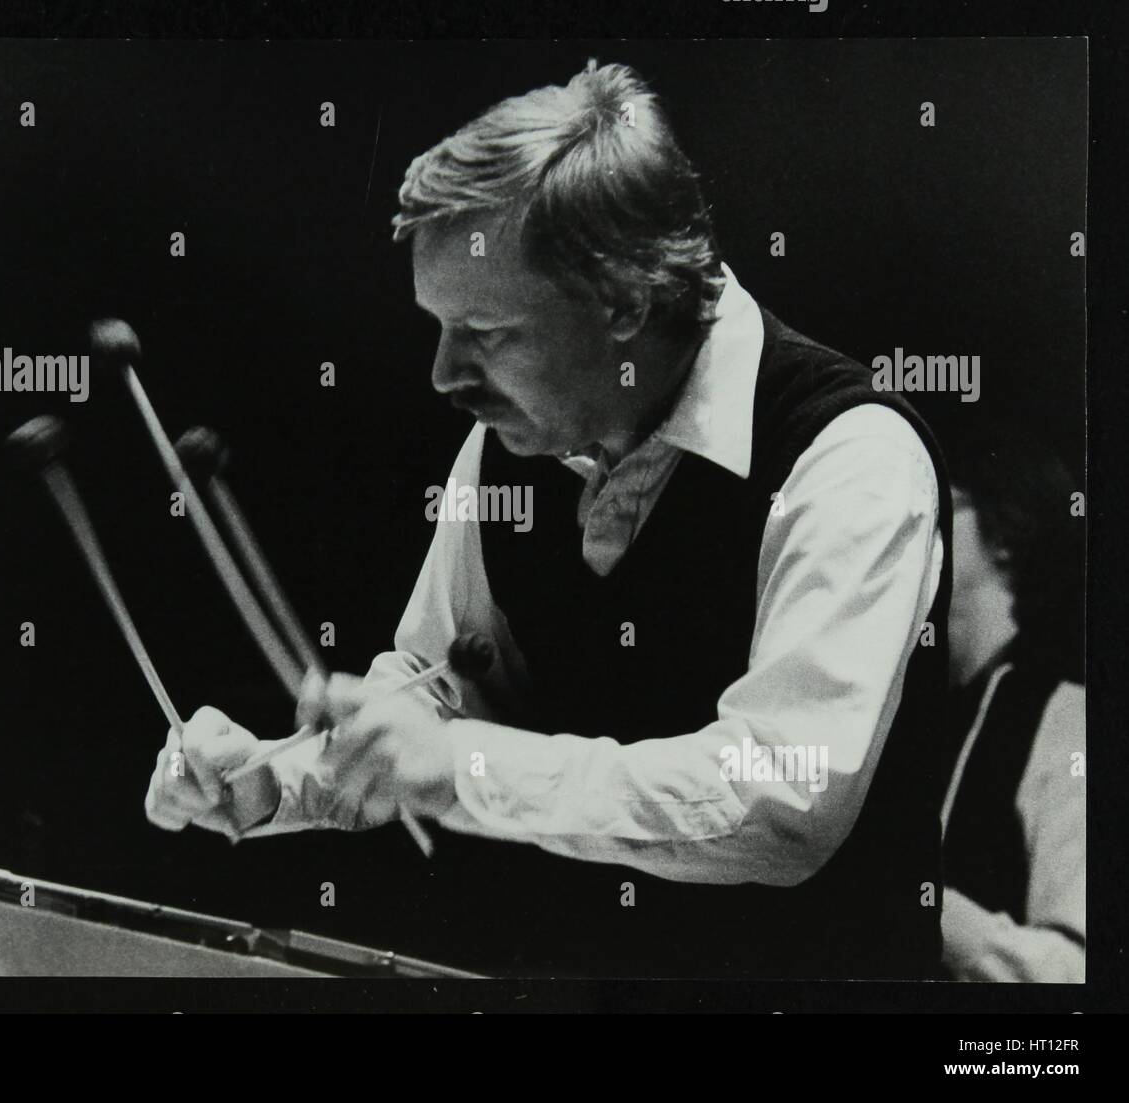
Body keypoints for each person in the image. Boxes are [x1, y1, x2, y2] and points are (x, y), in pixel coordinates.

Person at [145, 60, 954, 978]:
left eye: (487, 334)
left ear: (626, 302)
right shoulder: (508, 445)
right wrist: (273, 779)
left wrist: (464, 767)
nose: (444, 376)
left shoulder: (851, 456)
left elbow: (781, 799)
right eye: (440, 327)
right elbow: (437, 691)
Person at [939, 430, 1085, 982]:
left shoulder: (1068, 718)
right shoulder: (923, 720)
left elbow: (1074, 970)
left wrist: (913, 901)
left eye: (938, 506)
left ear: (1005, 531)